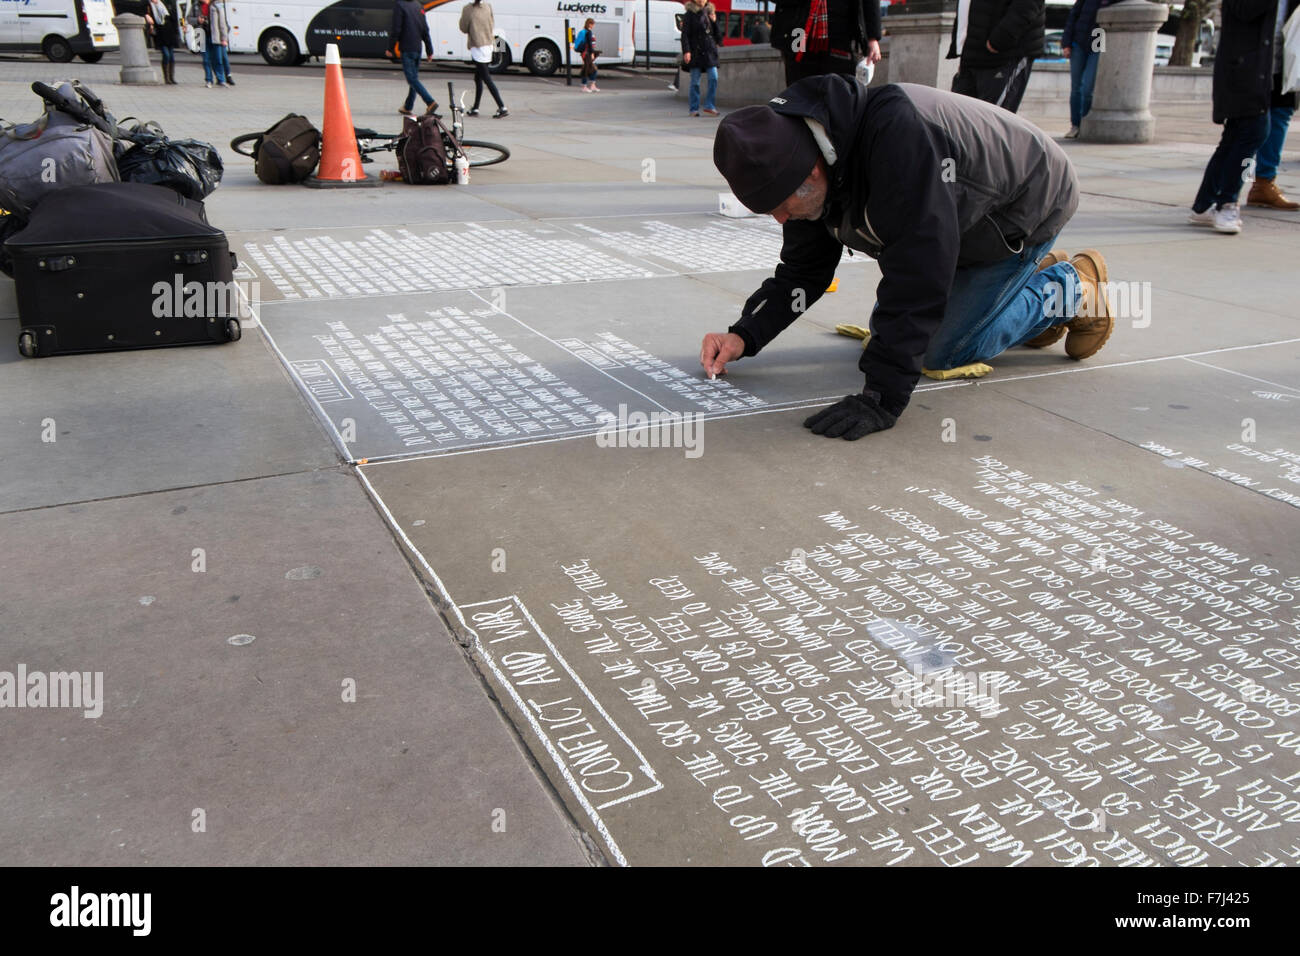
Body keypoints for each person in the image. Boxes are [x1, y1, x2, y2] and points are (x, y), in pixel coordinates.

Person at [701, 76, 1113, 441]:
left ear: (810, 173)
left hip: (1020, 207)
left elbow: (920, 273)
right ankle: (1015, 289)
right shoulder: (800, 152)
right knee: (893, 331)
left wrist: (880, 397)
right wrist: (744, 335)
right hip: (954, 218)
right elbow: (804, 271)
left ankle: (1069, 287)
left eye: (780, 206)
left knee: (939, 350)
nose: (780, 218)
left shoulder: (898, 145)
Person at [1190, 0, 1295, 232]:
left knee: (1234, 137)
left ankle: (1203, 205)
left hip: (1270, 68)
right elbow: (1244, 10)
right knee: (1255, 132)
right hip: (1244, 68)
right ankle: (1227, 203)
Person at [1246, 0, 1300, 210]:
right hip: (1253, 57)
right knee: (1248, 125)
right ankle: (1232, 188)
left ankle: (1263, 183)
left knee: (1281, 114)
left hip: (1287, 57)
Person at [947, 0, 1045, 113]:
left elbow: (1027, 5)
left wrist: (1000, 40)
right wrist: (963, 50)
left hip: (1003, 56)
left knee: (991, 122)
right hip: (971, 55)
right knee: (957, 119)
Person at [770, 0, 882, 86]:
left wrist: (873, 38)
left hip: (840, 30)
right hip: (797, 30)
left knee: (839, 89)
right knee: (797, 83)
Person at [1061, 0, 1108, 137]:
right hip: (1079, 40)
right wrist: (1066, 43)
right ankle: (1075, 125)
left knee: (1088, 88)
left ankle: (1085, 123)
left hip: (1098, 39)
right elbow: (1073, 17)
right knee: (1076, 87)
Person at [459, 0, 508, 117]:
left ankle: (502, 106)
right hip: (488, 45)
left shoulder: (468, 9)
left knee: (486, 78)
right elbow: (492, 23)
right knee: (478, 78)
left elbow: (463, 28)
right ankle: (476, 108)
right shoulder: (488, 6)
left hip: (478, 47)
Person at [392, 0, 437, 117]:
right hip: (417, 48)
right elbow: (425, 30)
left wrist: (390, 47)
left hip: (407, 48)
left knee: (412, 79)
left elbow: (396, 28)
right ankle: (408, 107)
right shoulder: (418, 6)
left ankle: (430, 101)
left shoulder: (400, 5)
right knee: (414, 78)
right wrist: (429, 50)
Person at [682, 1, 723, 116]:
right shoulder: (690, 14)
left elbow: (718, 36)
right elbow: (685, 34)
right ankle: (693, 108)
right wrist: (687, 51)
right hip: (696, 51)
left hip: (709, 51)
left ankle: (709, 105)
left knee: (713, 77)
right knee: (695, 81)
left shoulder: (710, 11)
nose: (701, 1)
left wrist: (714, 22)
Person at [146, 0, 181, 85]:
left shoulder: (166, 4)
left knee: (171, 56)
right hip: (160, 34)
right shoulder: (149, 6)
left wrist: (179, 29)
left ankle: (171, 78)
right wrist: (148, 19)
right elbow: (147, 18)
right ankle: (166, 78)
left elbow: (177, 16)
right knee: (166, 55)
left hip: (170, 33)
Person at [574, 17, 600, 92]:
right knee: (588, 69)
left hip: (584, 53)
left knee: (591, 68)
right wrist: (592, 53)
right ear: (590, 24)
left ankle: (591, 85)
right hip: (587, 53)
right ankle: (585, 86)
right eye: (592, 24)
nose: (593, 26)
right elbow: (589, 44)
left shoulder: (584, 31)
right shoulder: (588, 32)